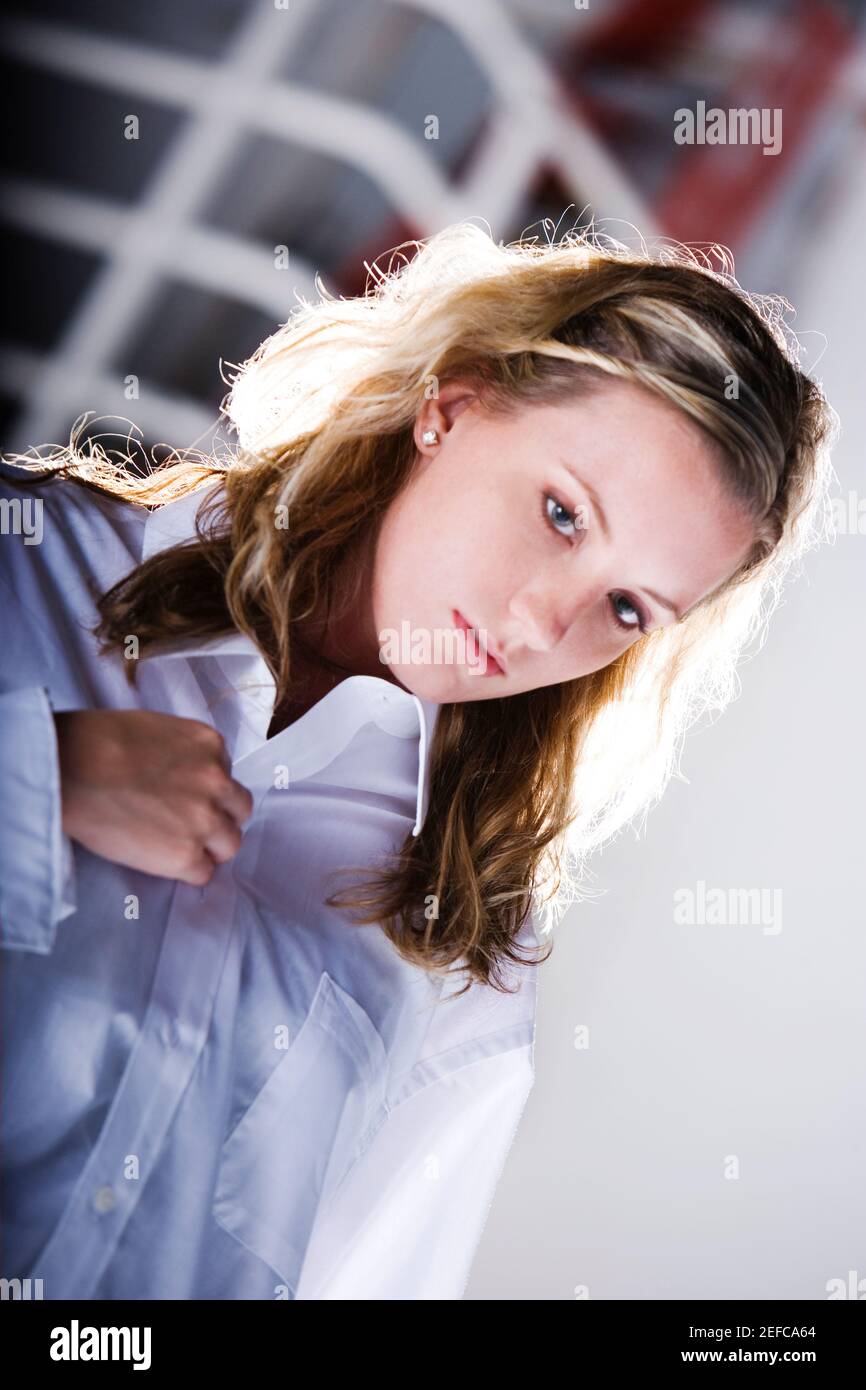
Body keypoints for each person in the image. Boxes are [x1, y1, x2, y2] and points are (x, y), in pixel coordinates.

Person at [0, 222, 836, 1300]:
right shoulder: (33, 573)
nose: (543, 621)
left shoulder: (467, 943)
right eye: (559, 513)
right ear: (450, 405)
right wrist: (37, 774)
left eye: (625, 607)